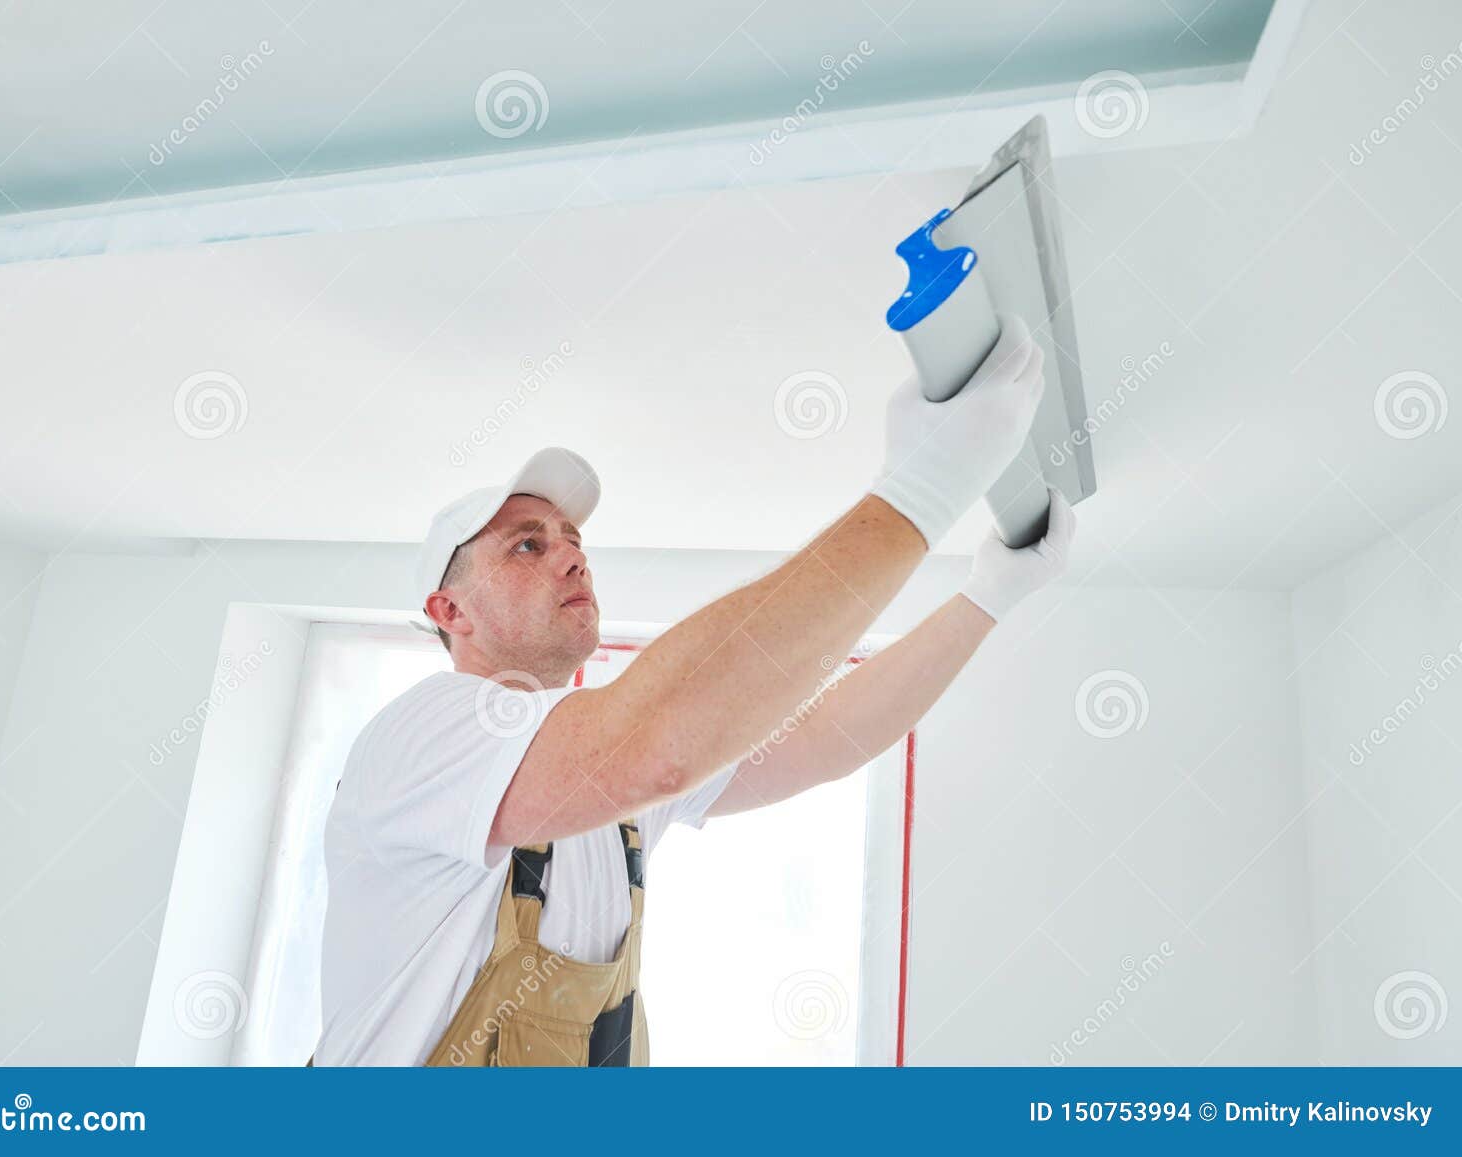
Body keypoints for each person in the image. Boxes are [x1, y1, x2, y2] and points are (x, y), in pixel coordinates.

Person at [314, 314, 1076, 1065]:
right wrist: (924, 489)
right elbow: (654, 746)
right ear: (450, 612)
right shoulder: (430, 733)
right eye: (527, 544)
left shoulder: (604, 793)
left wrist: (987, 596)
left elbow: (824, 737)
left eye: (575, 542)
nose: (573, 560)